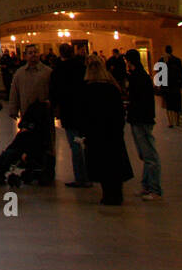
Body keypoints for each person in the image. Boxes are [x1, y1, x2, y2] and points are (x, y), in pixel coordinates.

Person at [80, 56, 133, 207]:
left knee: (102, 165)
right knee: (114, 164)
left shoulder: (87, 90)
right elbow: (120, 112)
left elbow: (84, 114)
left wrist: (85, 131)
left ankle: (107, 194)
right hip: (113, 133)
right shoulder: (112, 89)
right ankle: (117, 194)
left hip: (96, 134)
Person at [8, 42, 54, 176]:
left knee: (47, 142)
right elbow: (14, 91)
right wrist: (13, 109)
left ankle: (48, 170)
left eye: (35, 52)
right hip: (27, 115)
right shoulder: (20, 73)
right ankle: (32, 168)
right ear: (25, 56)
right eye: (30, 53)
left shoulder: (47, 72)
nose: (33, 55)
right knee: (29, 142)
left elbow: (54, 91)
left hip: (44, 115)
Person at [50, 42, 92, 188]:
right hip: (83, 110)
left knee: (74, 145)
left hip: (69, 111)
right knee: (85, 143)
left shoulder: (58, 70)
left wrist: (54, 107)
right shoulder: (81, 68)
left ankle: (80, 177)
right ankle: (90, 174)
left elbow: (54, 91)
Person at [125, 50, 162, 199]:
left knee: (149, 155)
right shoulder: (138, 76)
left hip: (142, 119)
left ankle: (155, 189)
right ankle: (146, 186)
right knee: (144, 154)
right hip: (138, 118)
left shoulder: (139, 77)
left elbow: (140, 99)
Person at [161, 45, 182, 126]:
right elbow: (181, 73)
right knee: (177, 104)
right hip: (176, 85)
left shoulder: (162, 61)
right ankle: (177, 121)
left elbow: (160, 73)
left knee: (169, 105)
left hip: (167, 86)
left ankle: (170, 122)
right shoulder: (177, 60)